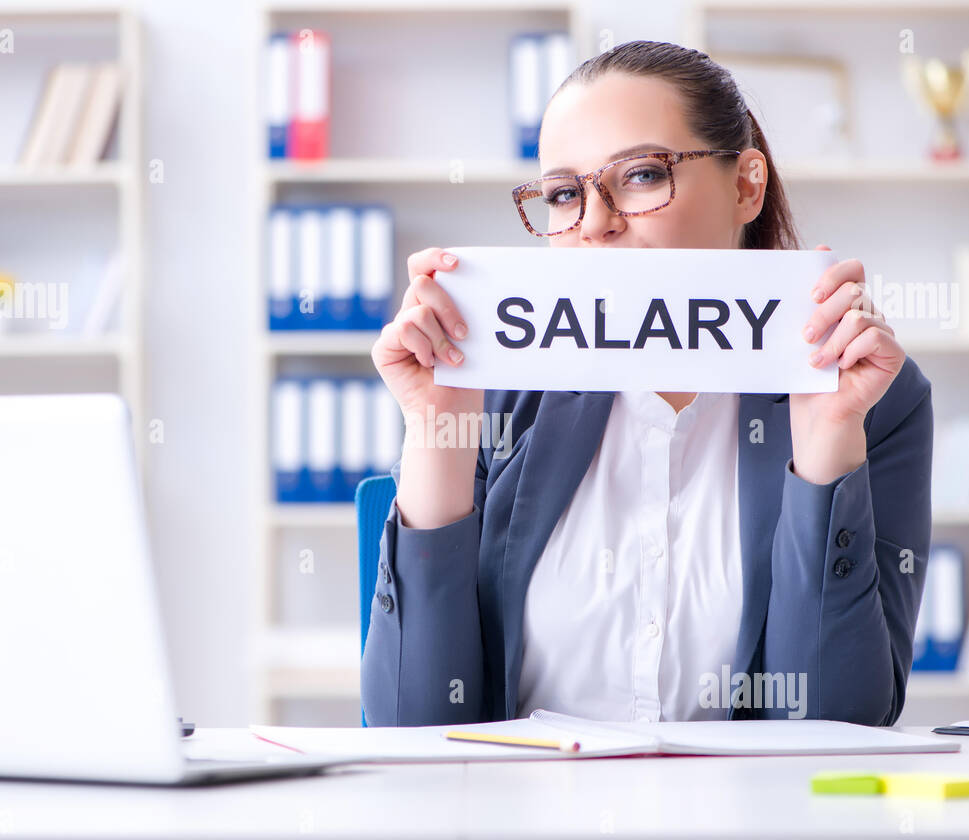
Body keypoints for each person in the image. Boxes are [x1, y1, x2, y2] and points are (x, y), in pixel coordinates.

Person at [362, 40, 932, 727]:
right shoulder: (496, 392)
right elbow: (411, 727)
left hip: (749, 802)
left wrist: (827, 446)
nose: (596, 224)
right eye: (565, 194)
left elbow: (840, 724)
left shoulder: (874, 397)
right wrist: (438, 430)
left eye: (639, 176)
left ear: (746, 187)